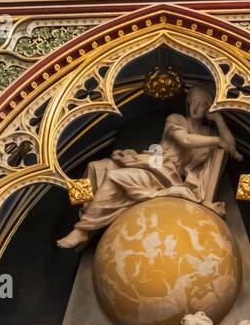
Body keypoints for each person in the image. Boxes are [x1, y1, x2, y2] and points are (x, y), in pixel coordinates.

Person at [57, 84, 240, 248]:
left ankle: (83, 229)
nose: (195, 108)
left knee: (115, 177)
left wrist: (219, 120)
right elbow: (185, 139)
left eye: (201, 104)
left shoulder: (208, 133)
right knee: (95, 167)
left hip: (166, 174)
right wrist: (217, 139)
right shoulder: (176, 119)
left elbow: (230, 147)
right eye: (192, 102)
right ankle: (85, 210)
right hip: (154, 162)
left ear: (208, 107)